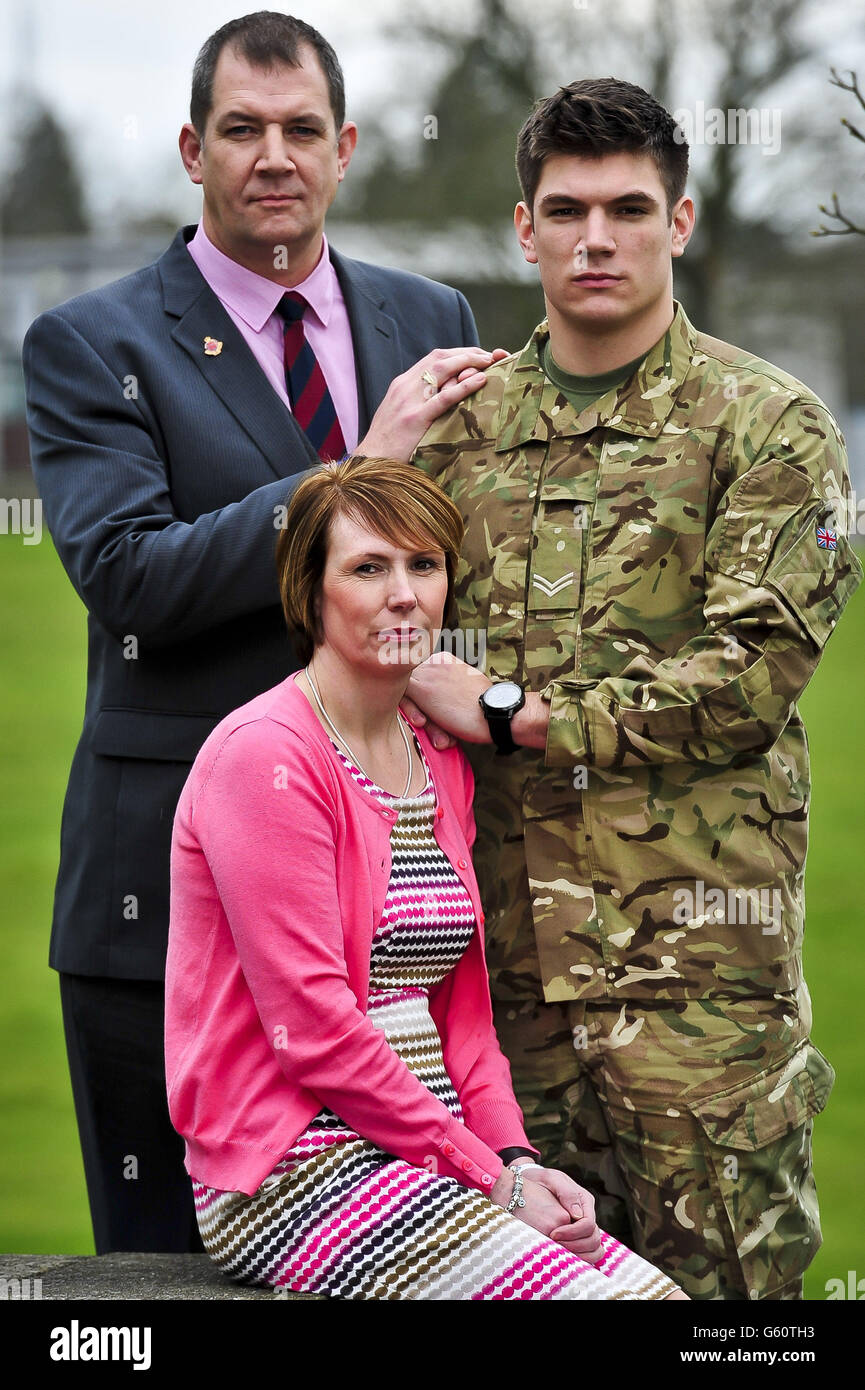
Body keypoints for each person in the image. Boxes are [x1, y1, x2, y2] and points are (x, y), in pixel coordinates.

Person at [22, 10, 504, 1254]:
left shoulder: (424, 312)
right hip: (161, 908)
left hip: (392, 909)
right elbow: (127, 576)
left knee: (419, 1249)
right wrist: (348, 470)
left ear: (344, 147)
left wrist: (477, 689)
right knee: (159, 1270)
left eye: (300, 130)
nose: (272, 155)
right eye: (242, 129)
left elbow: (462, 573)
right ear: (194, 149)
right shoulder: (92, 342)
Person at [402, 79, 863, 1300]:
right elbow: (351, 632)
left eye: (626, 208)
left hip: (694, 998)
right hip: (496, 998)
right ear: (522, 228)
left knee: (730, 1310)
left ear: (682, 220)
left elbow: (751, 673)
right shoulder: (455, 435)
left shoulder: (775, 430)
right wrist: (361, 466)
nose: (595, 238)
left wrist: (521, 715)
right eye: (566, 209)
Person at [164, 454, 686, 1300]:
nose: (403, 593)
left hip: (432, 1152)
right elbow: (314, 1028)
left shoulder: (435, 754)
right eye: (368, 568)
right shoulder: (266, 756)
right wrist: (491, 1180)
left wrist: (516, 1159)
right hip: (296, 1171)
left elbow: (462, 1015)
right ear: (311, 591)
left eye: (423, 564)